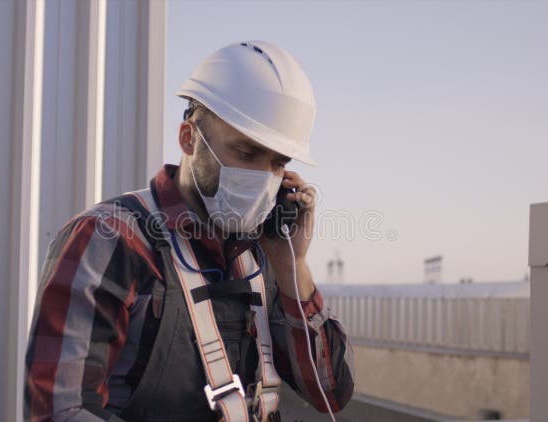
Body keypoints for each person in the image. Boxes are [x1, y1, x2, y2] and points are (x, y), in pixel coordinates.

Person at [24, 40, 354, 422]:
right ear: (188, 138)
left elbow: (331, 393)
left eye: (278, 163)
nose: (264, 178)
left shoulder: (262, 254)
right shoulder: (109, 239)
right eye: (246, 153)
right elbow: (60, 412)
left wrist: (293, 268)